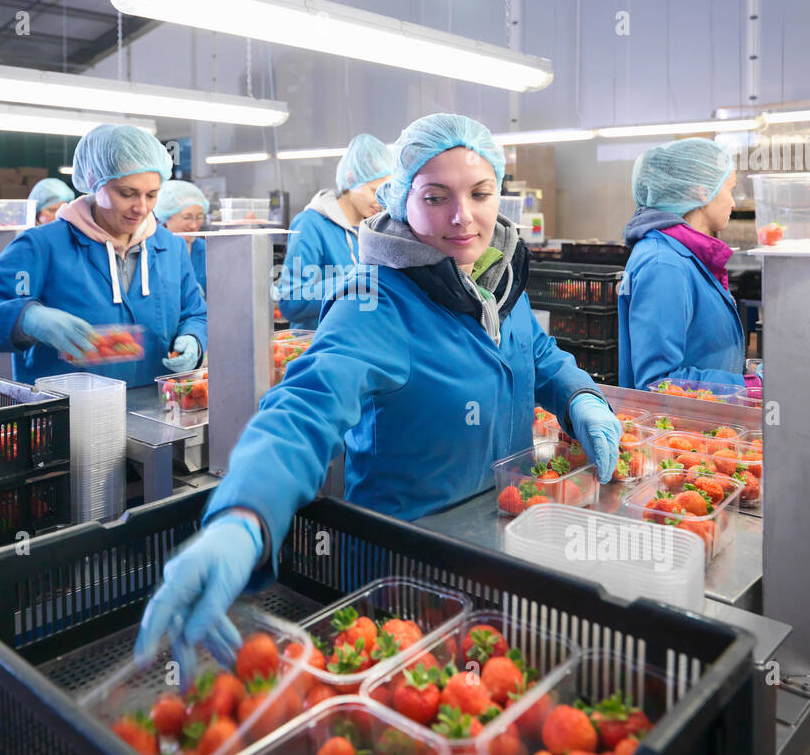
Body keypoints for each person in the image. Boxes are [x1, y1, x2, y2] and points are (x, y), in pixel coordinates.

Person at [133, 113, 623, 672]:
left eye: (480, 193)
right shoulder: (376, 301)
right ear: (398, 199)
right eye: (436, 197)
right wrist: (245, 513)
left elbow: (538, 355)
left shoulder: (496, 280)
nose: (463, 217)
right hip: (402, 573)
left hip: (498, 547)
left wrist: (579, 395)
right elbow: (305, 407)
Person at [0, 124, 207, 387]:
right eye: (127, 193)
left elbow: (195, 313)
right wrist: (27, 319)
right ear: (93, 182)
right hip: (68, 417)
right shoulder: (42, 246)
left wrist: (194, 338)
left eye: (152, 195)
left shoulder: (169, 248)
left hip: (155, 413)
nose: (141, 208)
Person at [618, 138, 750, 390]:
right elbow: (660, 383)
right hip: (678, 426)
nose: (733, 203)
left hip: (701, 422)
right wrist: (745, 386)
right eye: (730, 189)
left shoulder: (683, 256)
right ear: (704, 191)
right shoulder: (664, 265)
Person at [273, 133, 395, 330]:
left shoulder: (375, 228)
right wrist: (355, 282)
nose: (380, 201)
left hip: (360, 342)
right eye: (374, 191)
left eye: (384, 192)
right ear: (350, 180)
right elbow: (290, 301)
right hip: (319, 347)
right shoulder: (311, 224)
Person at [152, 179, 209, 294]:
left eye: (199, 217)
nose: (193, 225)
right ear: (165, 217)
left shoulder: (207, 250)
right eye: (187, 217)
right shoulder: (154, 252)